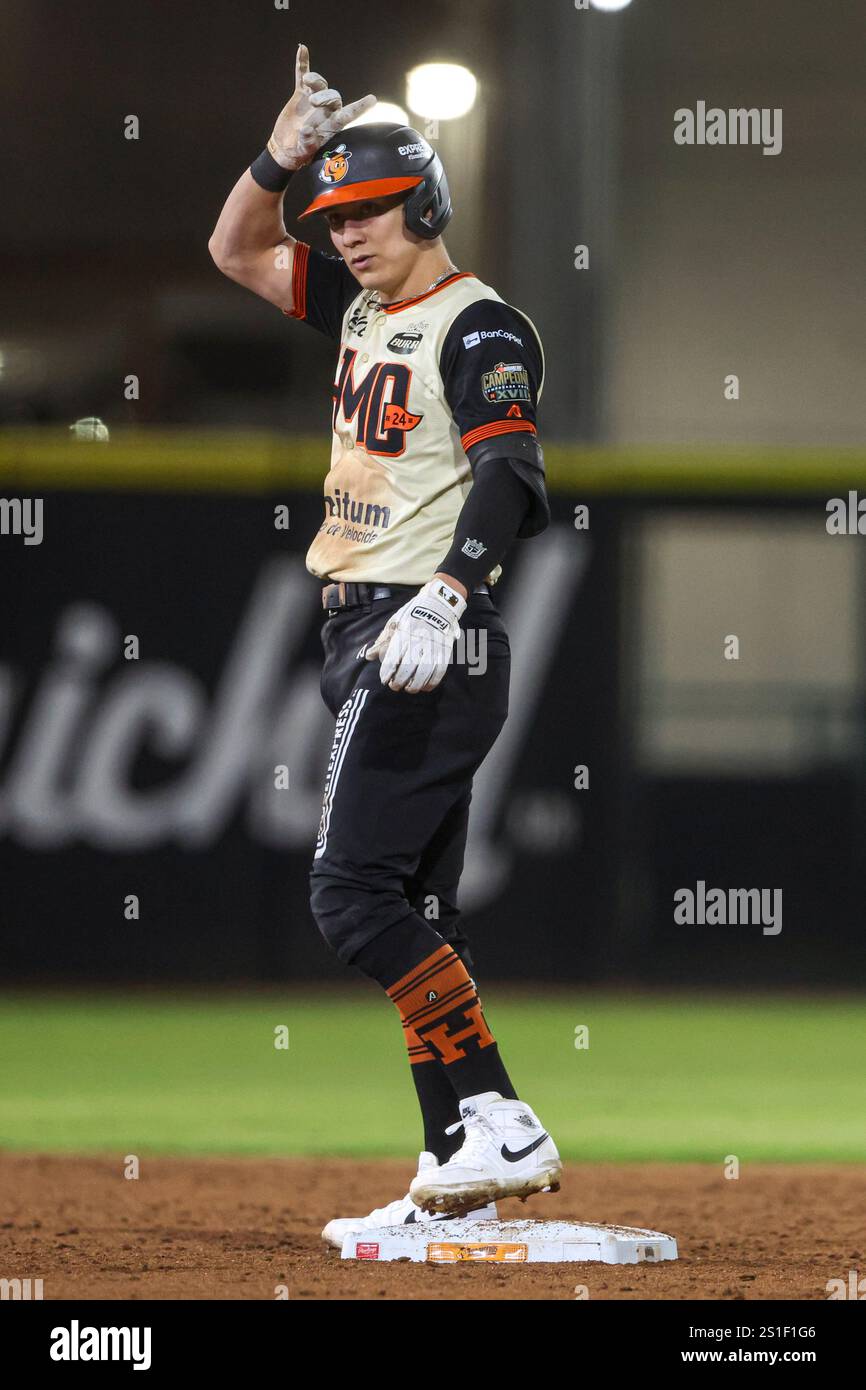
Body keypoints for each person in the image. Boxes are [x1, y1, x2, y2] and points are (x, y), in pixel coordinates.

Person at [209, 44, 561, 1247]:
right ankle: (447, 1163)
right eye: (336, 215)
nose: (346, 233)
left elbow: (510, 468)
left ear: (424, 203)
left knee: (349, 895)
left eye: (367, 212)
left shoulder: (475, 324)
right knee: (418, 906)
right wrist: (279, 154)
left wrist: (451, 593)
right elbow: (238, 249)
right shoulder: (365, 305)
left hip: (420, 626)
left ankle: (498, 1114)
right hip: (374, 620)